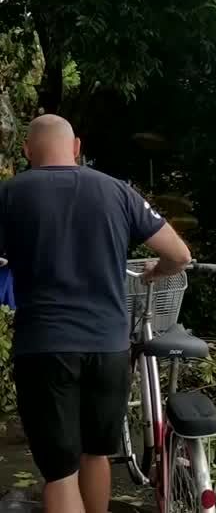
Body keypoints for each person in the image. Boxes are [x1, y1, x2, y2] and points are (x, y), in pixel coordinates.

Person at [0, 114, 191, 513]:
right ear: (76, 147)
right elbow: (179, 254)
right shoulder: (117, 191)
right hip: (108, 347)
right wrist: (157, 272)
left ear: (27, 151)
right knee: (97, 454)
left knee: (60, 472)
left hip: (44, 348)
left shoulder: (10, 195)